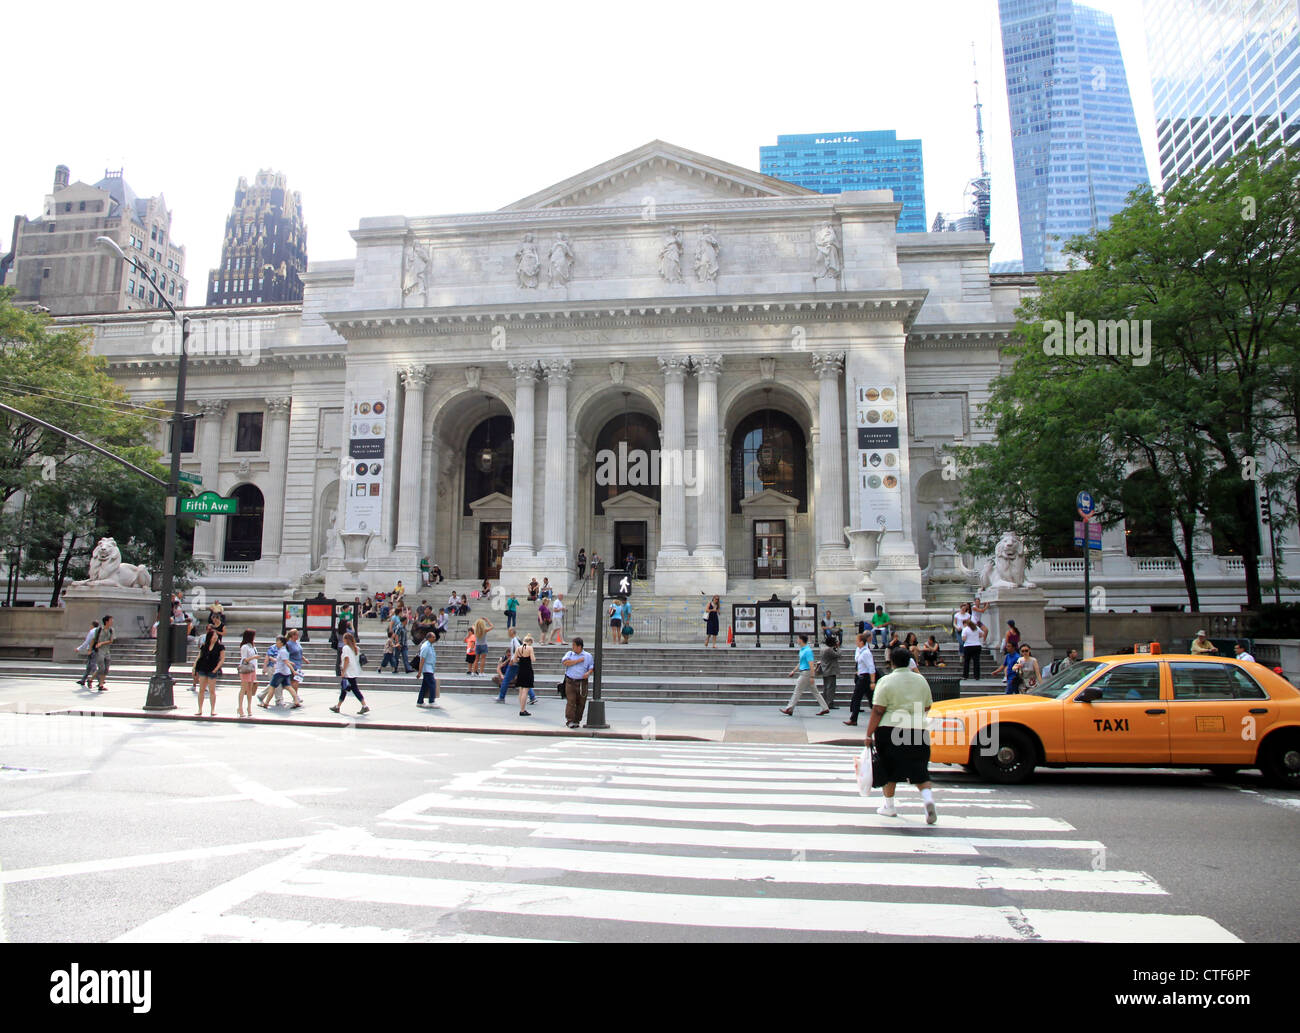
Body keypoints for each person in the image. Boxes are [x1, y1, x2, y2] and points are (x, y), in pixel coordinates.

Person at [866, 647, 937, 824]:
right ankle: (927, 799)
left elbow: (878, 710)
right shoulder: (921, 680)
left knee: (888, 767)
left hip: (890, 728)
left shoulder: (886, 681)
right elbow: (928, 706)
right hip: (918, 728)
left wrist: (869, 734)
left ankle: (889, 806)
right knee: (920, 768)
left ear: (892, 662)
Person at [780, 633, 829, 716]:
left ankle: (790, 708)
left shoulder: (807, 651)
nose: (797, 640)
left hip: (806, 673)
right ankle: (825, 708)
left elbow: (811, 664)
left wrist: (812, 676)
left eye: (798, 639)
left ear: (801, 640)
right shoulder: (802, 650)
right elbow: (801, 662)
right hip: (805, 672)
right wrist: (793, 671)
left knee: (797, 690)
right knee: (815, 691)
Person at [329, 632, 369, 715]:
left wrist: (343, 671)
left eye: (344, 639)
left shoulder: (346, 648)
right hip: (354, 671)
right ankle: (338, 706)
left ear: (346, 640)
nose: (343, 640)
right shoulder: (356, 648)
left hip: (348, 672)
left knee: (349, 689)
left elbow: (346, 660)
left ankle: (364, 706)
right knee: (347, 689)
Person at [844, 631, 877, 726]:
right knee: (869, 699)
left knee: (857, 697)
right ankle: (854, 718)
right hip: (862, 677)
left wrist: (872, 681)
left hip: (865, 678)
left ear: (861, 642)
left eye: (857, 641)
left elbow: (871, 667)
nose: (856, 642)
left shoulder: (866, 653)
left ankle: (854, 719)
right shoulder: (862, 651)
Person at [560, 637, 594, 728]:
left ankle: (577, 720)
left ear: (579, 647)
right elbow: (565, 662)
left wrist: (588, 673)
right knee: (571, 701)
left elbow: (591, 667)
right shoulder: (570, 654)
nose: (573, 647)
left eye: (574, 645)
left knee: (581, 702)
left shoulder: (588, 656)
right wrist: (577, 661)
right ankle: (570, 720)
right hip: (570, 681)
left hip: (582, 682)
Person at [194, 625, 224, 717]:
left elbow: (222, 659)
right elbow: (199, 657)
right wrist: (194, 667)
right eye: (214, 635)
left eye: (216, 636)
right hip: (203, 668)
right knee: (201, 689)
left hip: (213, 669)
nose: (216, 637)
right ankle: (200, 709)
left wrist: (216, 669)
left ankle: (212, 709)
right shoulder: (205, 646)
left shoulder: (220, 647)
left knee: (212, 690)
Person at [87, 615, 115, 692]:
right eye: (111, 620)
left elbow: (111, 640)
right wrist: (90, 649)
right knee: (101, 668)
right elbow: (93, 639)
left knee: (106, 669)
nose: (112, 622)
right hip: (99, 651)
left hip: (107, 651)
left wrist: (102, 643)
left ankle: (95, 682)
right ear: (107, 621)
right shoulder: (99, 629)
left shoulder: (111, 630)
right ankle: (99, 684)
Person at [236, 629, 259, 718]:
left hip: (252, 669)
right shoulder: (245, 646)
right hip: (246, 668)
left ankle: (249, 708)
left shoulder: (253, 646)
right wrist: (254, 657)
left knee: (250, 689)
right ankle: (240, 707)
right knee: (244, 688)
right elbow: (244, 659)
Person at [515, 634, 538, 716]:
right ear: (530, 642)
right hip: (527, 670)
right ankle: (522, 710)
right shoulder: (529, 648)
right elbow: (533, 659)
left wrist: (521, 659)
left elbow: (515, 659)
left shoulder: (518, 648)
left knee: (521, 690)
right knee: (525, 690)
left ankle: (521, 708)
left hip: (520, 670)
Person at [818, 633, 842, 710]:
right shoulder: (829, 650)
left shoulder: (823, 649)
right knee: (831, 688)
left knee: (826, 687)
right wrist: (838, 647)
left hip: (825, 670)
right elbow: (838, 655)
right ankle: (829, 703)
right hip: (830, 670)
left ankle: (825, 702)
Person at [74, 619, 100, 687]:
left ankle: (100, 680)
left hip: (91, 650)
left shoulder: (92, 632)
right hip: (97, 649)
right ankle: (83, 680)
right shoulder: (99, 631)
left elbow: (87, 642)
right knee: (89, 666)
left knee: (93, 666)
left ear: (92, 625)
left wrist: (79, 648)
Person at [416, 631, 438, 707]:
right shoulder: (426, 646)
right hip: (427, 669)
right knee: (432, 684)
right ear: (429, 638)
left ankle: (420, 701)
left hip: (430, 668)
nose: (435, 638)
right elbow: (422, 659)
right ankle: (431, 701)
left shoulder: (430, 646)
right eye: (433, 637)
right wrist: (419, 672)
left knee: (425, 686)